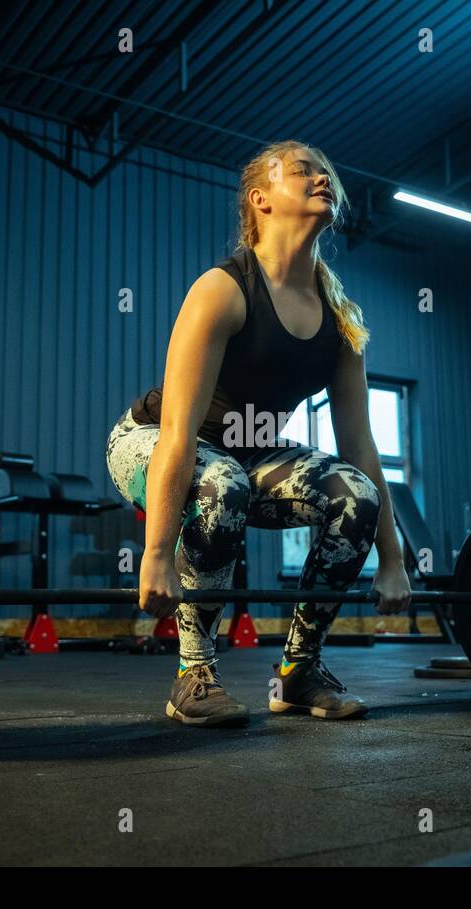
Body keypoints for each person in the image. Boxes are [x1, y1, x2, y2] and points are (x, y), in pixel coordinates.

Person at [105, 139, 411, 727]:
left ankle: (298, 672)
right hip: (148, 443)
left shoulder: (340, 318)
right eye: (303, 170)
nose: (322, 178)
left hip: (248, 456)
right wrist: (157, 553)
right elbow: (178, 431)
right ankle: (193, 673)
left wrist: (393, 561)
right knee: (221, 482)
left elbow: (361, 449)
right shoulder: (223, 289)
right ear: (261, 199)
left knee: (355, 493)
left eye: (327, 171)